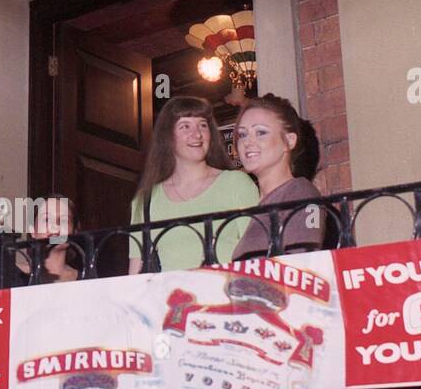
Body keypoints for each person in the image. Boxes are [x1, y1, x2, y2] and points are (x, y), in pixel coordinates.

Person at [128, 96, 258, 273]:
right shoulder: (146, 201)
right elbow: (135, 275)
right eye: (185, 126)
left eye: (203, 125)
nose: (197, 134)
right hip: (170, 298)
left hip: (228, 296)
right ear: (167, 136)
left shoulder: (236, 184)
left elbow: (257, 257)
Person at [230, 94, 325, 260]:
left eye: (260, 132)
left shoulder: (300, 193)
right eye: (242, 134)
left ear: (289, 141)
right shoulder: (256, 202)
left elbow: (303, 264)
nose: (248, 142)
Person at [11, 195, 79, 284]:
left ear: (74, 231)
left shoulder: (87, 278)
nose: (55, 227)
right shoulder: (13, 274)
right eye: (47, 219)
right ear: (33, 230)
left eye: (64, 221)